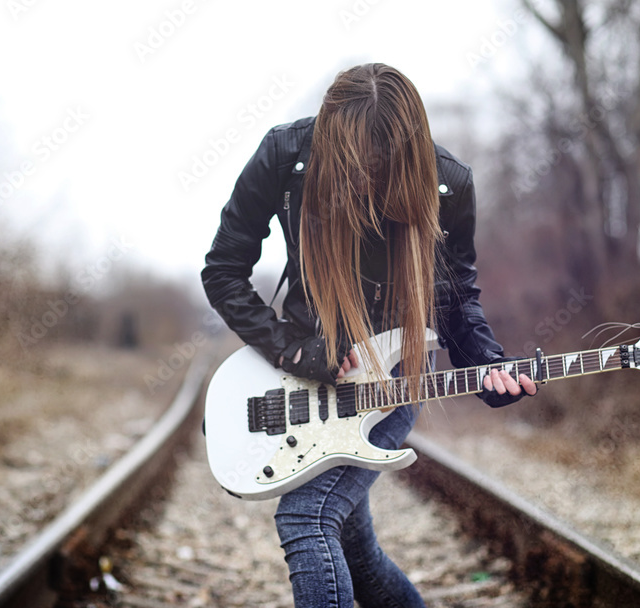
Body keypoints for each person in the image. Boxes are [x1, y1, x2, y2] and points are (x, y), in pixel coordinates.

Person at [201, 63, 536, 607]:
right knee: (357, 555)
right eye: (357, 170)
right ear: (331, 146)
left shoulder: (448, 184)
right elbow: (223, 270)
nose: (369, 187)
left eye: (383, 172)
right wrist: (293, 349)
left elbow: (455, 299)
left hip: (394, 376)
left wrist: (487, 364)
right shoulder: (285, 156)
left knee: (307, 519)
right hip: (310, 370)